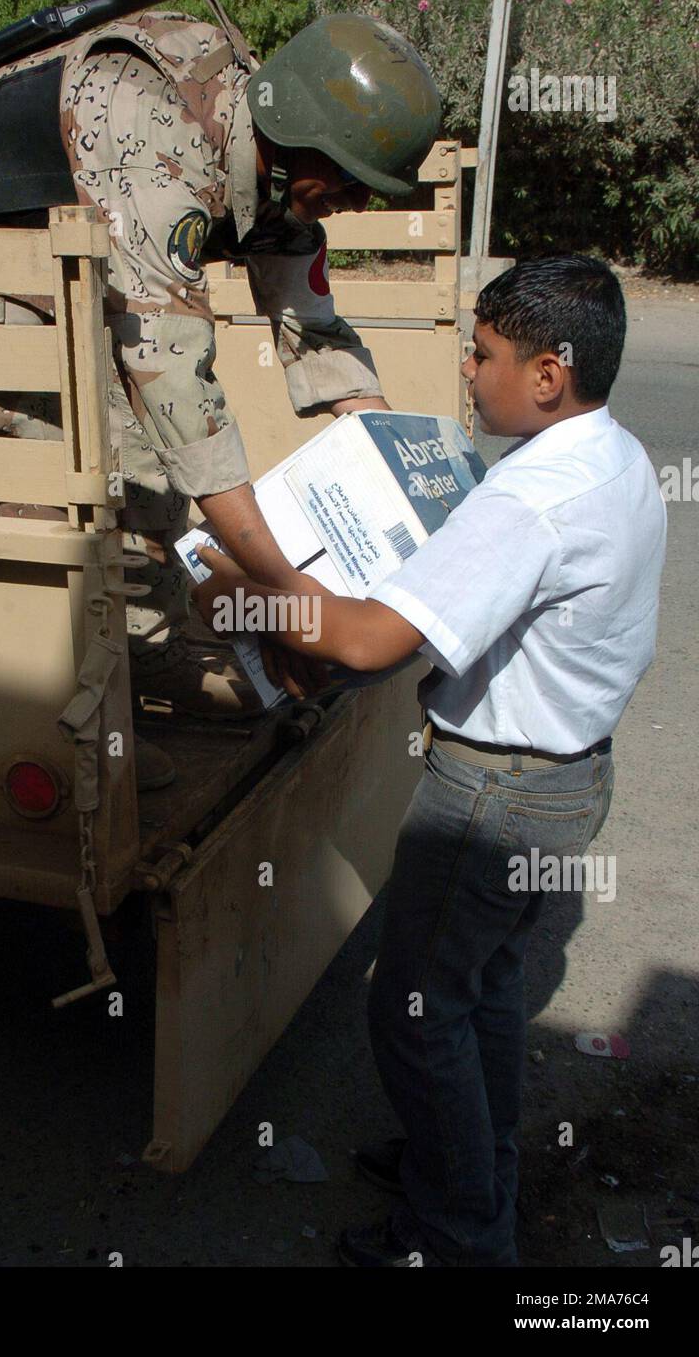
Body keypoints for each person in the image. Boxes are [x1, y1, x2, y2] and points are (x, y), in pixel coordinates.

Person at [193, 254, 667, 1266]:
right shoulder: (613, 457)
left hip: (494, 793)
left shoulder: (534, 496)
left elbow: (367, 641)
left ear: (548, 373)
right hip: (566, 778)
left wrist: (240, 586)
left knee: (413, 1009)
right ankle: (470, 1166)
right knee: (482, 986)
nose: (465, 370)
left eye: (483, 353)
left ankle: (455, 1236)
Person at [0, 6, 441, 789]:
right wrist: (288, 592)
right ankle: (58, 706)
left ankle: (146, 657)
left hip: (76, 236)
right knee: (61, 460)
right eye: (351, 187)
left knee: (150, 471)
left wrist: (406, 476)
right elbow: (174, 381)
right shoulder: (151, 131)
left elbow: (317, 333)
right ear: (306, 148)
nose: (357, 208)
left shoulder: (274, 166)